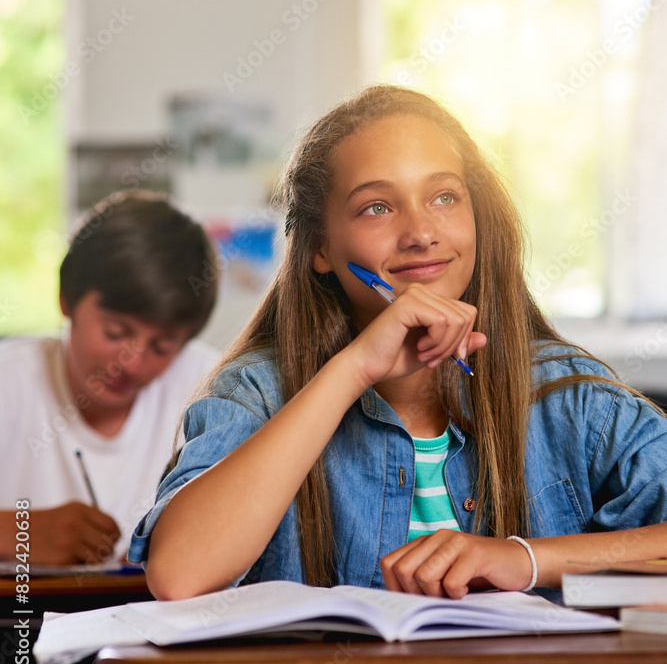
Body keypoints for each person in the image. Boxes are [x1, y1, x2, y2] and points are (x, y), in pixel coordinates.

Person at [129, 86, 667, 601]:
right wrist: (354, 367)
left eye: (444, 197)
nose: (421, 232)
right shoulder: (258, 391)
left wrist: (522, 559)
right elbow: (180, 573)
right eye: (377, 208)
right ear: (320, 248)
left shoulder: (564, 395)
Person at [0, 190, 220, 566]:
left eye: (163, 346)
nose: (131, 363)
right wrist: (16, 531)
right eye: (116, 332)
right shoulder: (11, 379)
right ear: (66, 299)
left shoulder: (211, 390)